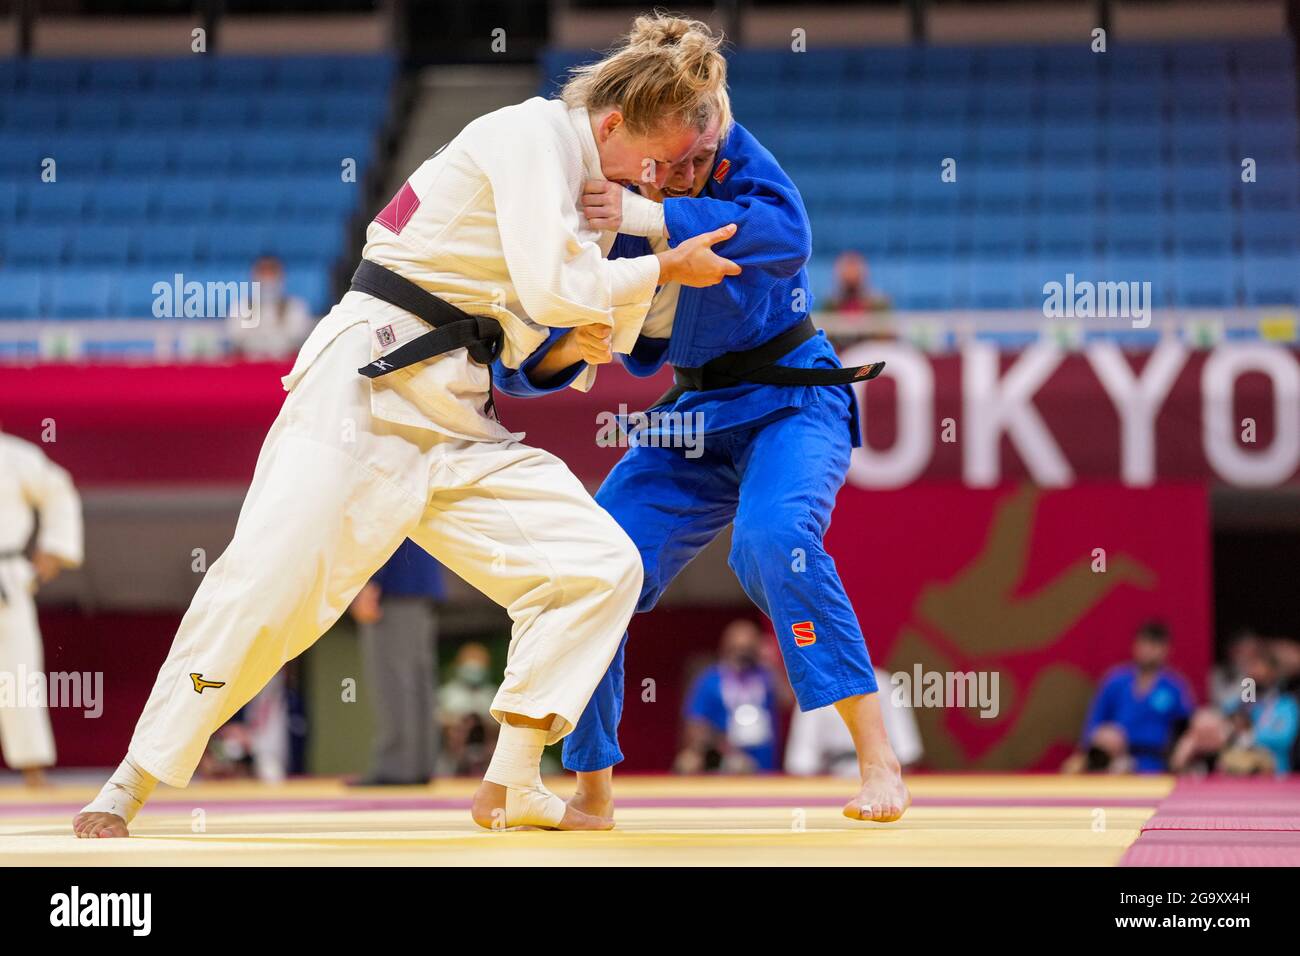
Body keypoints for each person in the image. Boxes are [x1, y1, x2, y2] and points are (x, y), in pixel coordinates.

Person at [73, 13, 740, 838]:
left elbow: (538, 346)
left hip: (458, 415)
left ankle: (512, 780)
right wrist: (662, 268)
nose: (666, 178)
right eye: (660, 158)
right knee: (268, 587)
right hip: (365, 390)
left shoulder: (590, 209)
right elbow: (548, 287)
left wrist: (581, 337)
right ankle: (129, 782)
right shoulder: (524, 133)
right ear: (611, 123)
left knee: (599, 564)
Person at [494, 101, 908, 822]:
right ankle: (592, 786)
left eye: (699, 157)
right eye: (672, 163)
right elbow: (525, 357)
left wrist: (649, 219)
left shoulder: (730, 150)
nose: (689, 173)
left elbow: (787, 236)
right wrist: (567, 348)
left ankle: (878, 761)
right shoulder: (595, 192)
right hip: (693, 417)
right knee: (596, 570)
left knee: (776, 543)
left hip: (790, 397)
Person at [0, 430, 83, 788]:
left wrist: (54, 547)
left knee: (18, 673)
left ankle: (32, 767)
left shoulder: (14, 455)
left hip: (7, 576)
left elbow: (58, 490)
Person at [348, 538, 445, 785]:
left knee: (393, 680)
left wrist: (372, 581)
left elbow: (384, 523)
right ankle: (420, 763)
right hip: (419, 575)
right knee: (416, 679)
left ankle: (397, 767)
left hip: (393, 581)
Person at [1065, 621, 1195, 773]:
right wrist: (1102, 737)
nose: (1147, 651)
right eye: (1143, 644)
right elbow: (1092, 725)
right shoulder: (1115, 681)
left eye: (1154, 645)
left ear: (1166, 650)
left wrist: (1184, 748)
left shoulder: (1174, 687)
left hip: (1154, 763)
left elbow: (1188, 727)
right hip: (1112, 761)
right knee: (1074, 767)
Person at [675, 619, 789, 774]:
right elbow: (694, 726)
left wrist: (771, 662)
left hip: (764, 761)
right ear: (724, 648)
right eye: (735, 649)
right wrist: (720, 747)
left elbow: (787, 700)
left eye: (748, 649)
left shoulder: (766, 676)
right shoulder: (710, 679)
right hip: (725, 757)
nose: (741, 655)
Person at [786, 668, 923, 776]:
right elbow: (802, 759)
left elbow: (906, 748)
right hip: (834, 777)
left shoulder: (884, 684)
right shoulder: (815, 688)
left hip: (883, 773)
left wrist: (894, 782)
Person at [226, 255, 314, 360]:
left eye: (272, 272)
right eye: (262, 272)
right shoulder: (240, 306)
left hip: (286, 367)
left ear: (282, 276)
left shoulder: (296, 306)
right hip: (249, 366)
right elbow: (235, 336)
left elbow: (297, 336)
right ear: (253, 276)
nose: (267, 278)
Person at [439, 642, 499, 776]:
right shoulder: (447, 694)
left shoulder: (494, 694)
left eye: (479, 663)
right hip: (452, 759)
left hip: (490, 757)